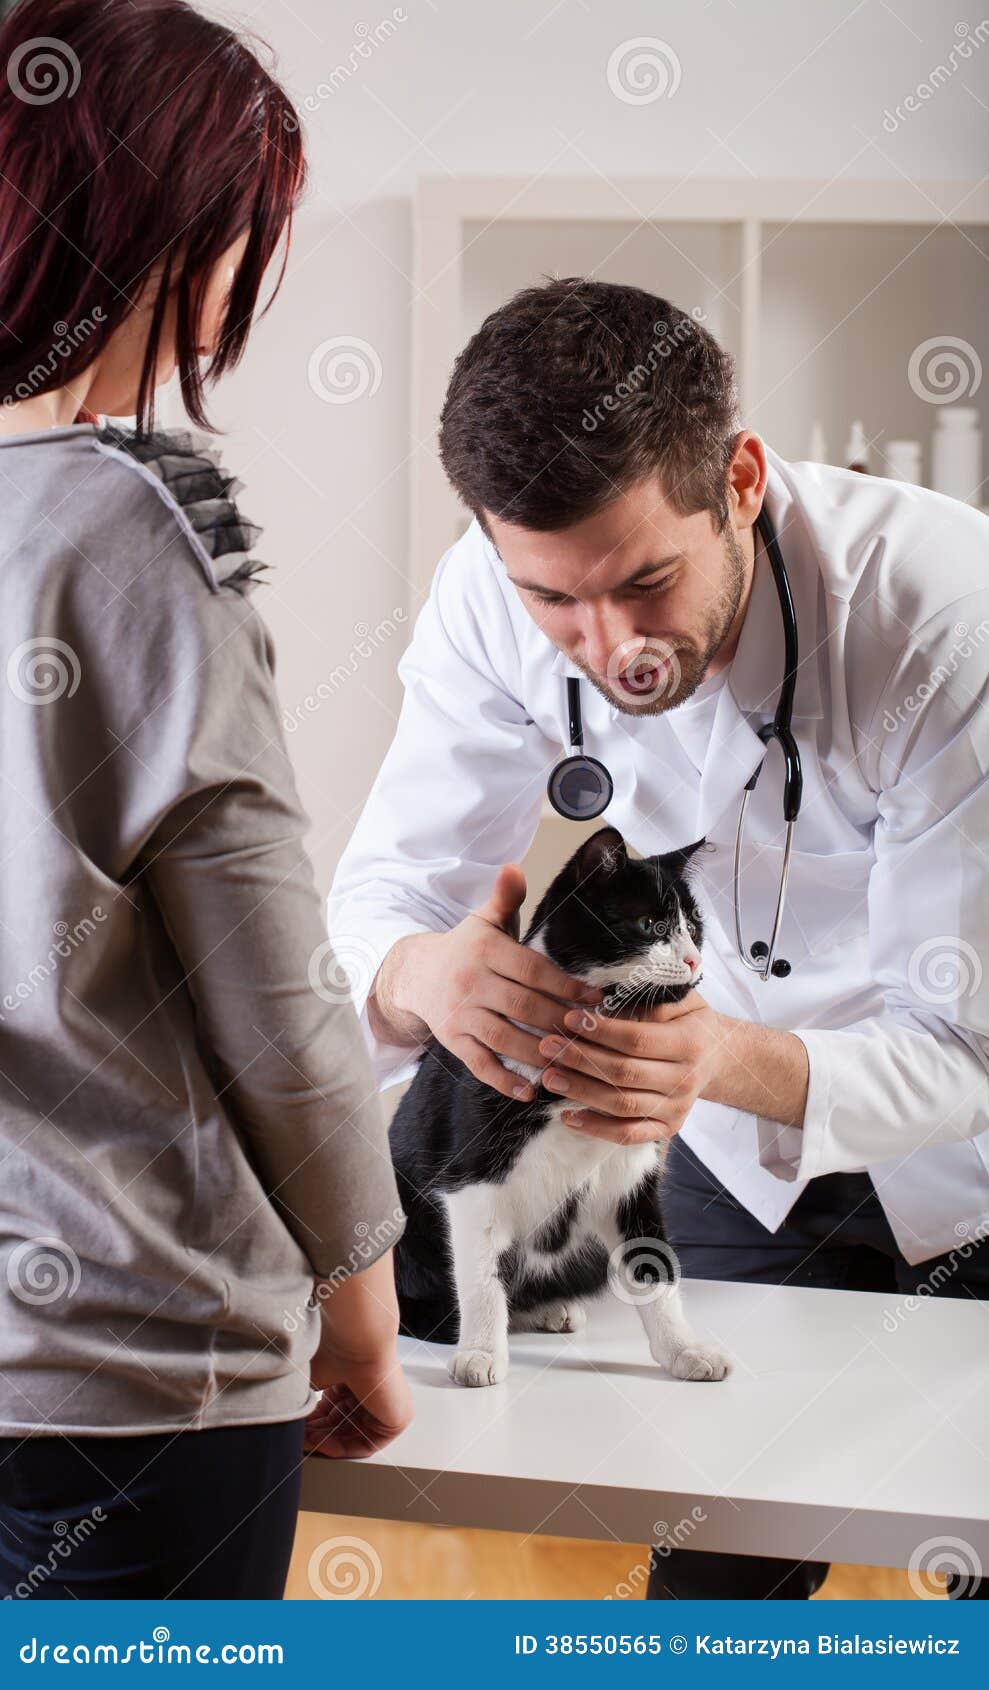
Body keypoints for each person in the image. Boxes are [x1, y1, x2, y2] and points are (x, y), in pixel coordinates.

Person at [329, 276, 989, 1600]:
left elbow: (969, 1045)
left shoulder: (942, 612)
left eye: (647, 582)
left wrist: (711, 1057)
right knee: (715, 1561)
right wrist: (419, 974)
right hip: (731, 1156)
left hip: (965, 1159)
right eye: (556, 602)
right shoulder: (487, 593)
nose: (611, 647)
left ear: (739, 479)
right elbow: (391, 883)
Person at [0, 0, 411, 1600]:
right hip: (133, 1366)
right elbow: (273, 991)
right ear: (176, 222)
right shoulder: (138, 522)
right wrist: (360, 1302)